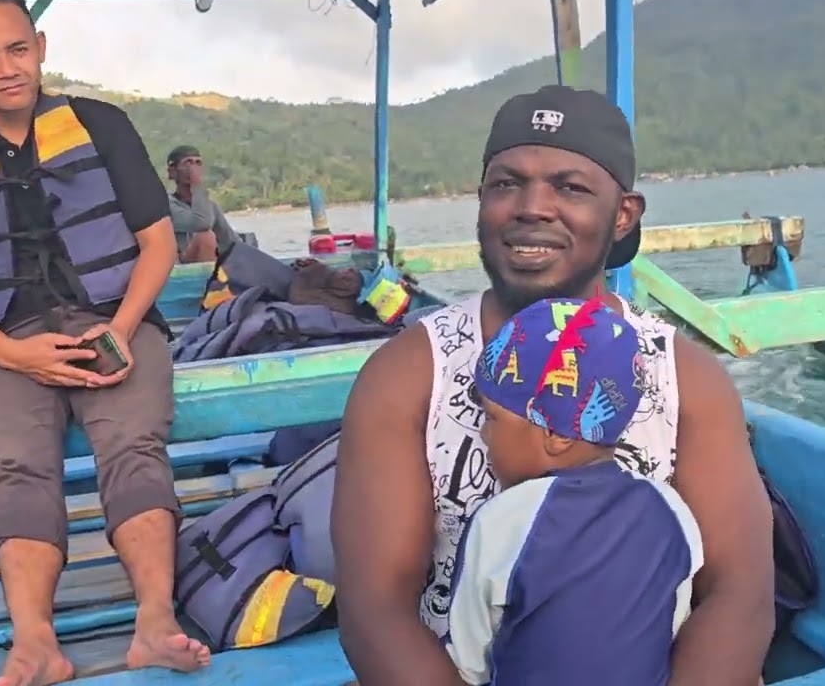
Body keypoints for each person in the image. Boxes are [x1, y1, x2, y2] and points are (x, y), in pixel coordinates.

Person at [333, 84, 777, 685]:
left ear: (624, 215)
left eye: (570, 188)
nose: (532, 207)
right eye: (506, 183)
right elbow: (376, 609)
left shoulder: (685, 378)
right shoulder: (410, 374)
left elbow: (739, 593)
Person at [0, 0, 210, 686]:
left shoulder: (102, 124)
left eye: (18, 49)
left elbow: (157, 243)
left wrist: (122, 330)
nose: (6, 68)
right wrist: (14, 355)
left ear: (40, 46)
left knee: (133, 443)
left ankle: (155, 620)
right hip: (1, 340)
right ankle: (36, 641)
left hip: (115, 320)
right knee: (13, 463)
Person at [443, 295, 704, 685]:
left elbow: (469, 665)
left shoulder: (503, 521)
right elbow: (670, 624)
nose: (483, 433)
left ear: (555, 434)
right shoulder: (672, 509)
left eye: (492, 418)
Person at [166, 145, 238, 262]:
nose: (193, 168)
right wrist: (197, 184)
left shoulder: (210, 206)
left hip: (208, 263)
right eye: (188, 163)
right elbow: (202, 224)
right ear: (173, 171)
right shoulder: (165, 205)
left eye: (198, 163)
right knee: (205, 238)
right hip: (177, 267)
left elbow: (232, 242)